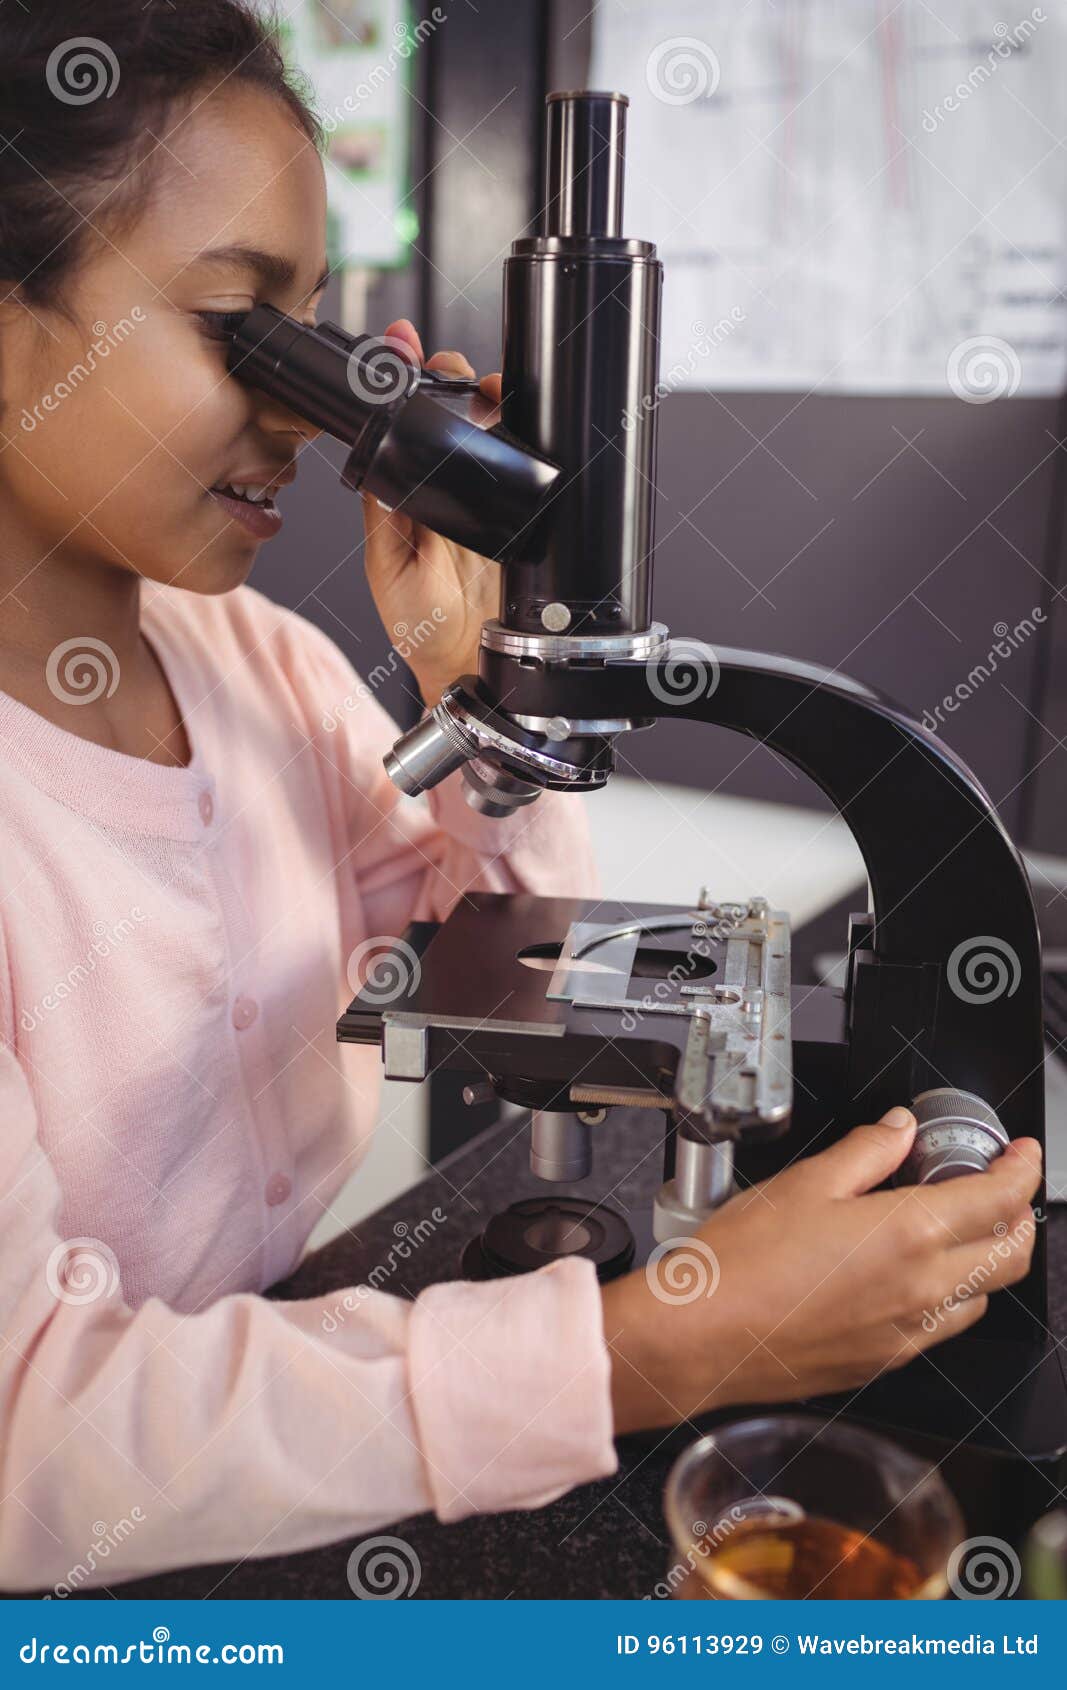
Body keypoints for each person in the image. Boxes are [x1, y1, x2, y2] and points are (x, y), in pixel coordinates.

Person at [0, 2, 1040, 1592]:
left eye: (324, 336)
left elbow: (505, 943)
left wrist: (467, 675)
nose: (309, 413)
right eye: (242, 330)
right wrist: (649, 1349)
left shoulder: (261, 665)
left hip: (283, 1426)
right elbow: (35, 1436)